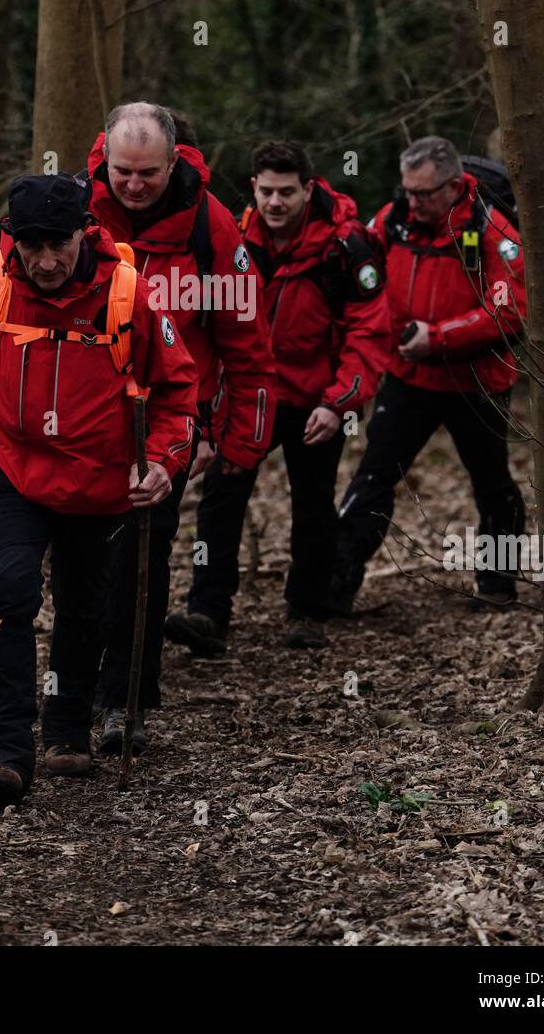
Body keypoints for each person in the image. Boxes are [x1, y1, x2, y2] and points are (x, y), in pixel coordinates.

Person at [0, 172, 198, 808]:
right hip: (7, 468)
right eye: (33, 247)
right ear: (12, 239)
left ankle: (66, 727)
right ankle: (5, 751)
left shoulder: (130, 293)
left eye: (60, 245)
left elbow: (178, 391)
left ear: (86, 231)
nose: (47, 262)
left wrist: (163, 461)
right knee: (10, 590)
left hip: (100, 475)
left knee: (86, 605)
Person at [86, 103, 276, 751]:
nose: (133, 186)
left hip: (167, 413)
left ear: (175, 162)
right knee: (84, 557)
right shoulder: (78, 210)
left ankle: (125, 702)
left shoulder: (212, 227)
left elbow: (247, 341)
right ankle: (84, 681)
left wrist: (234, 439)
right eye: (122, 172)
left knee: (143, 550)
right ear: (102, 159)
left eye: (147, 174)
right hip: (82, 417)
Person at [165, 140, 391, 654]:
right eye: (266, 191)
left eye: (287, 192)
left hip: (315, 402)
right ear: (253, 189)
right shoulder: (229, 238)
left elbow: (370, 331)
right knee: (219, 500)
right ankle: (207, 611)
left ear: (308, 189)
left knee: (313, 507)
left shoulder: (346, 246)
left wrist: (339, 404)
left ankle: (307, 612)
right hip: (246, 399)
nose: (275, 202)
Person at [328, 136, 527, 614]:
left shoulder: (493, 231)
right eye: (407, 191)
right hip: (408, 378)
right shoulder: (393, 219)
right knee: (373, 478)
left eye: (423, 193)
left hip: (477, 383)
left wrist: (437, 337)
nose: (412, 202)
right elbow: (357, 254)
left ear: (455, 186)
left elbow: (509, 312)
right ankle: (333, 587)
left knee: (493, 484)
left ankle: (497, 585)